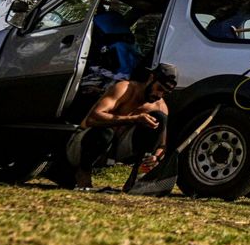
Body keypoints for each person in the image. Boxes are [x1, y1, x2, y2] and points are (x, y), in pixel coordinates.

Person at [72, 62, 177, 190]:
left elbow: (162, 145)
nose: (159, 95)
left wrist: (156, 157)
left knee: (159, 118)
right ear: (151, 78)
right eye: (159, 89)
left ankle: (133, 182)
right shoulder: (125, 88)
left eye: (165, 93)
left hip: (117, 150)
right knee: (106, 132)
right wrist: (133, 119)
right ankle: (83, 173)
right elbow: (92, 118)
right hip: (83, 145)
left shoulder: (160, 106)